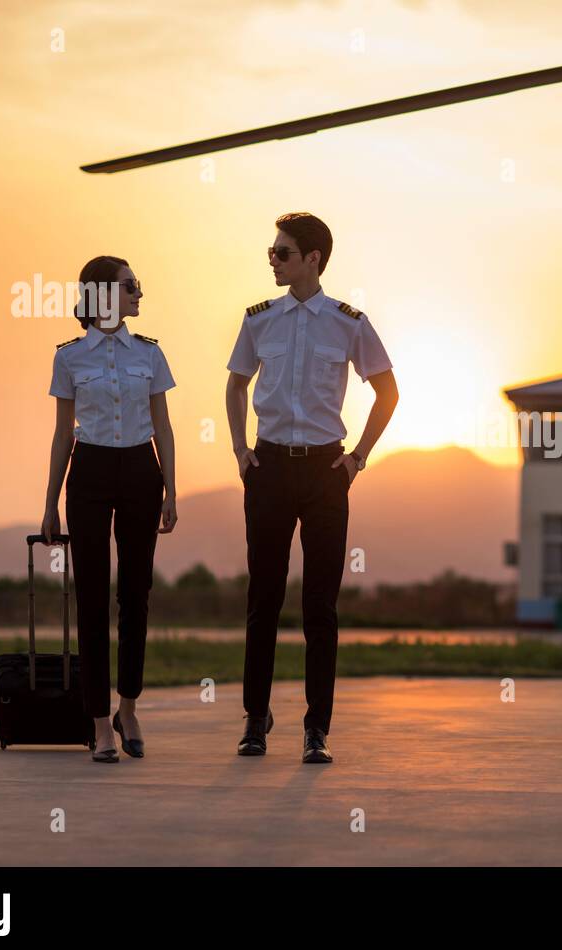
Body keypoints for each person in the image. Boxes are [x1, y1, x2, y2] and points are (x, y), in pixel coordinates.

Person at [225, 212, 398, 763]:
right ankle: (256, 720)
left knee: (320, 607)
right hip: (269, 468)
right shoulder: (258, 321)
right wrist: (240, 451)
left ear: (313, 260)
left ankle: (316, 729)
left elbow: (388, 392)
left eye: (282, 253)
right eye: (272, 252)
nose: (272, 260)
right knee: (264, 599)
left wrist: (358, 460)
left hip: (326, 473)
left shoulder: (349, 322)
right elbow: (234, 384)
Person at [41, 256, 178, 763]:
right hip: (91, 473)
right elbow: (61, 434)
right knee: (93, 599)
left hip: (141, 471)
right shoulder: (70, 357)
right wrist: (51, 501)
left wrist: (172, 488)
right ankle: (100, 725)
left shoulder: (151, 353)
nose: (139, 292)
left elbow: (163, 426)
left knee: (136, 594)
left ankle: (129, 706)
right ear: (102, 294)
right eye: (129, 285)